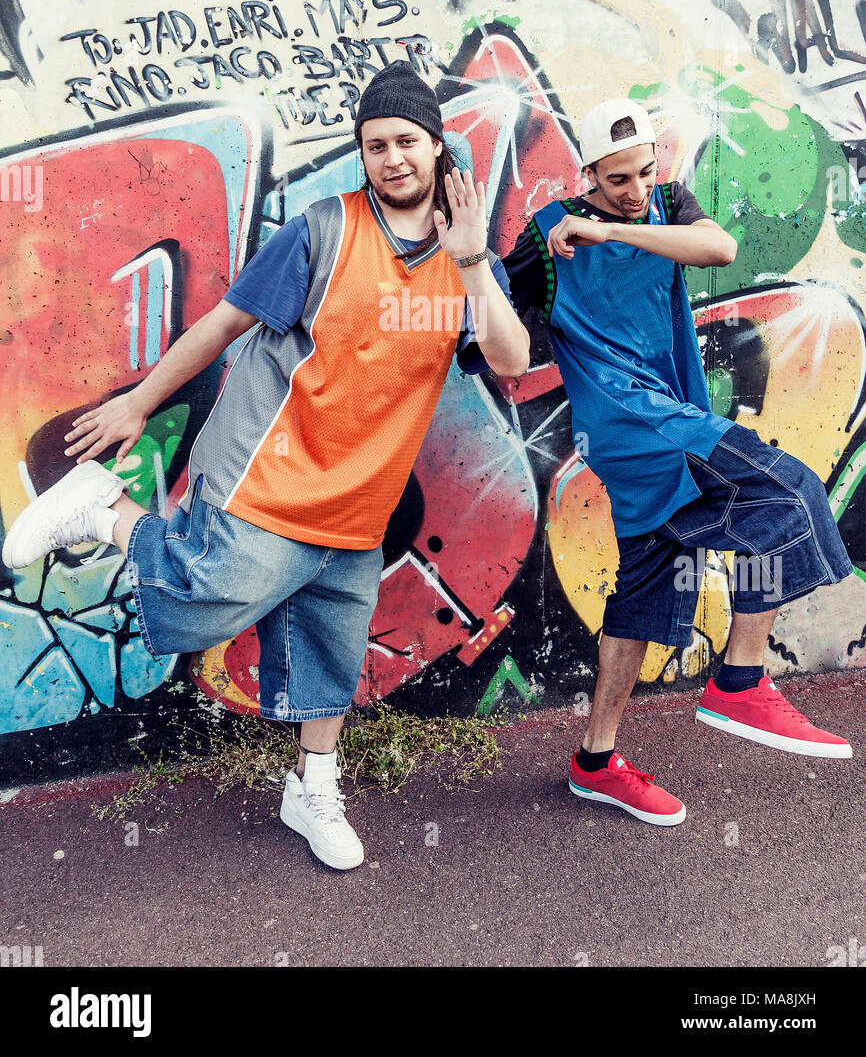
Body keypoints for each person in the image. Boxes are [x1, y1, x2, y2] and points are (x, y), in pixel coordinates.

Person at [3, 61, 530, 868]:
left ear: (435, 147)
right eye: (375, 144)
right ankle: (101, 510)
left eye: (406, 141)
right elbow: (220, 327)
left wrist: (469, 263)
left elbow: (512, 357)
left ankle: (312, 792)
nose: (391, 158)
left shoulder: (463, 264)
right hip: (271, 472)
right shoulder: (323, 230)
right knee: (203, 596)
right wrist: (142, 403)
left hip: (361, 499)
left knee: (331, 651)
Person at [502, 97, 853, 827]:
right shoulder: (548, 237)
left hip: (666, 428)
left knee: (638, 600)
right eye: (615, 179)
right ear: (586, 172)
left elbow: (718, 249)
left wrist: (611, 226)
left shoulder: (665, 204)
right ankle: (740, 681)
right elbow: (493, 325)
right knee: (785, 495)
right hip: (633, 428)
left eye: (642, 172)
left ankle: (594, 762)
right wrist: (473, 269)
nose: (633, 190)